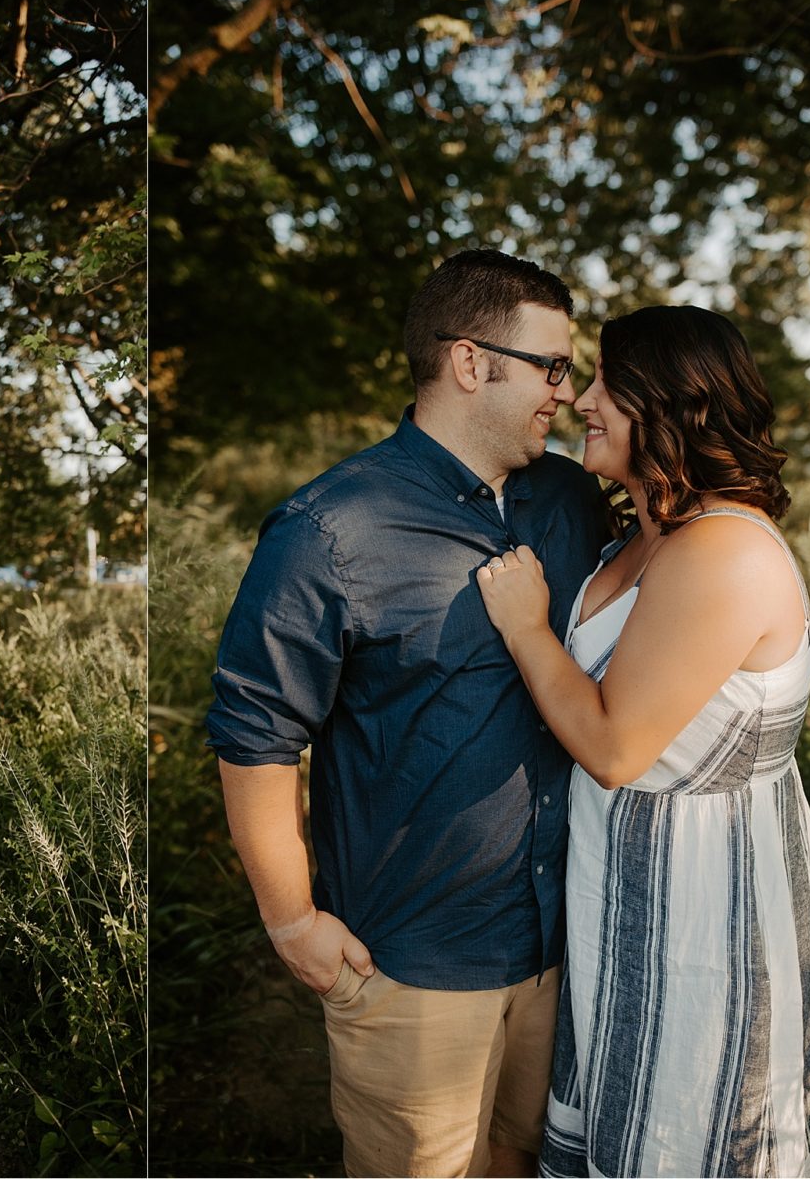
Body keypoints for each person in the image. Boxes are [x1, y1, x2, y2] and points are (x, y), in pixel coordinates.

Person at [208, 249, 611, 1177]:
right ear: (472, 362)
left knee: (521, 1161)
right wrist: (291, 921)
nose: (566, 390)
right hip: (414, 958)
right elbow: (255, 739)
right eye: (551, 366)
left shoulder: (569, 498)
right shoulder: (330, 531)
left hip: (561, 941)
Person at [476, 306, 810, 1177]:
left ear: (673, 402)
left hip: (709, 916)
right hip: (623, 898)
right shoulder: (649, 539)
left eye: (607, 382)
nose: (582, 401)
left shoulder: (723, 550)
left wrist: (528, 629)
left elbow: (613, 746)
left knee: (691, 1137)